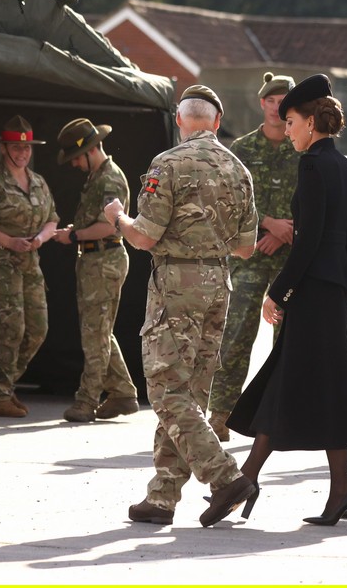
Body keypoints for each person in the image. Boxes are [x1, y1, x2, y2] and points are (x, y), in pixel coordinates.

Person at [106, 85, 260, 527]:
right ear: (217, 119)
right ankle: (162, 496)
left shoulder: (167, 164)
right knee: (189, 392)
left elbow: (144, 237)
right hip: (219, 283)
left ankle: (226, 477)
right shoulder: (238, 168)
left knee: (165, 391)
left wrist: (118, 218)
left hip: (177, 284)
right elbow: (248, 248)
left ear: (179, 119)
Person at [227, 74, 347, 526]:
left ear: (309, 122)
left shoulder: (310, 165)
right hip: (332, 291)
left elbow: (305, 243)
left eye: (290, 121)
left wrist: (279, 290)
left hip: (309, 291)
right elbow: (346, 241)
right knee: (313, 383)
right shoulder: (342, 165)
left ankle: (250, 478)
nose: (287, 130)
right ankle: (336, 487)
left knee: (297, 379)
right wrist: (338, 282)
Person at [207, 72, 298, 442]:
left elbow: (315, 201)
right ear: (262, 103)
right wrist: (269, 224)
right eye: (272, 100)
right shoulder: (241, 149)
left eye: (284, 102)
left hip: (290, 256)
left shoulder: (303, 148)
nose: (277, 107)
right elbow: (228, 203)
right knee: (236, 333)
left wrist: (284, 231)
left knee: (287, 338)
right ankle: (221, 412)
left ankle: (280, 416)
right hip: (249, 254)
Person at [0, 116, 59, 418]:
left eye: (26, 148)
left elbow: (52, 219)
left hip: (30, 262)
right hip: (0, 264)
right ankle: (0, 396)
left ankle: (1, 386)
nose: (22, 153)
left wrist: (41, 239)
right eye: (16, 148)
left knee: (38, 329)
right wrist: (8, 240)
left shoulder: (38, 181)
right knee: (12, 330)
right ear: (4, 148)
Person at [52, 118, 140, 423]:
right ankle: (123, 393)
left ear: (90, 151)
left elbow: (107, 226)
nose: (75, 164)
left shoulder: (109, 179)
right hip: (95, 261)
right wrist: (76, 232)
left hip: (104, 261)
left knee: (95, 335)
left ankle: (87, 401)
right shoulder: (98, 176)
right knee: (99, 332)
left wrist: (73, 235)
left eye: (76, 157)